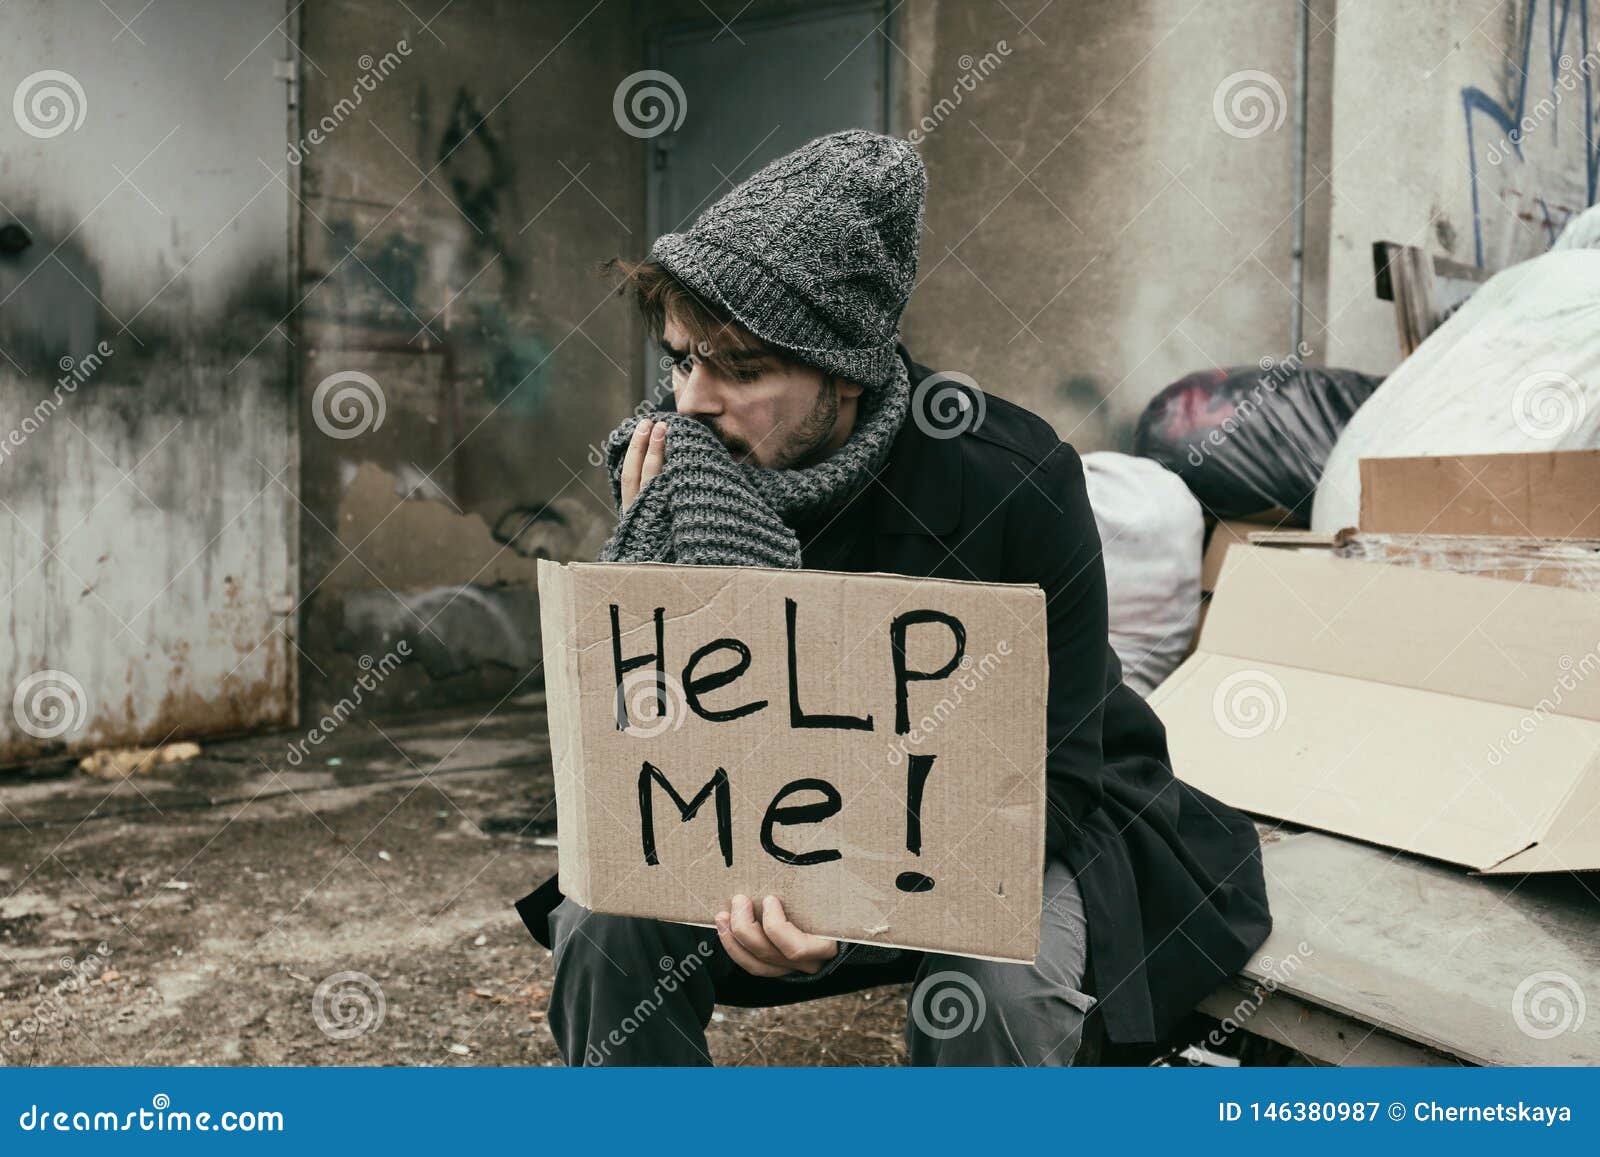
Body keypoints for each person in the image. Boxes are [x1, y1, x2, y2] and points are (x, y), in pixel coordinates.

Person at [515, 129, 1271, 1066]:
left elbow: (1059, 775)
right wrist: (650, 586)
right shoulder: (680, 474)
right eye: (679, 360)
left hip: (994, 827)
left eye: (739, 370)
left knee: (1005, 987)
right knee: (599, 926)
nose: (691, 402)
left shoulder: (1010, 479)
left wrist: (850, 899)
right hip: (765, 817)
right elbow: (644, 751)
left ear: (847, 368)